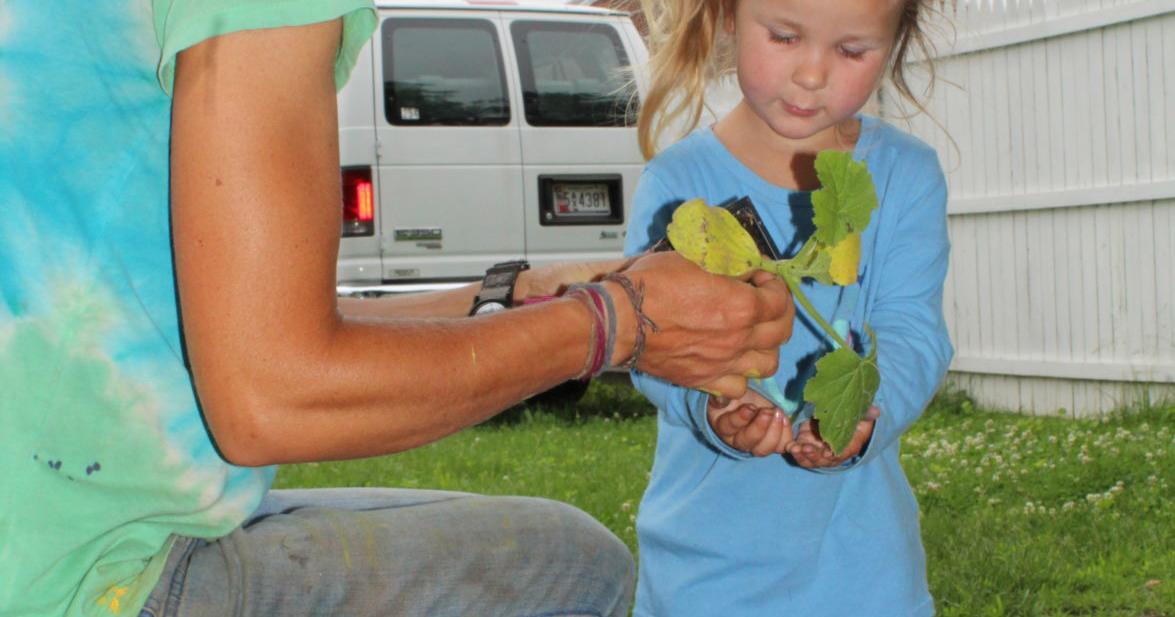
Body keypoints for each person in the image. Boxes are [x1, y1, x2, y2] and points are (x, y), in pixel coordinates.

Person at [0, 2, 798, 617]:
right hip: (82, 579)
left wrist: (508, 297)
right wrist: (614, 322)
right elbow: (270, 392)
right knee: (572, 567)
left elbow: (213, 326)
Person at [623, 0, 955, 614]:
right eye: (784, 36)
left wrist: (865, 418)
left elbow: (914, 331)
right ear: (728, 19)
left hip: (863, 574)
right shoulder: (677, 182)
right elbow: (651, 348)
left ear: (895, 41)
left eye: (852, 51)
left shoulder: (907, 175)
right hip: (705, 573)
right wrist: (713, 401)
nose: (812, 73)